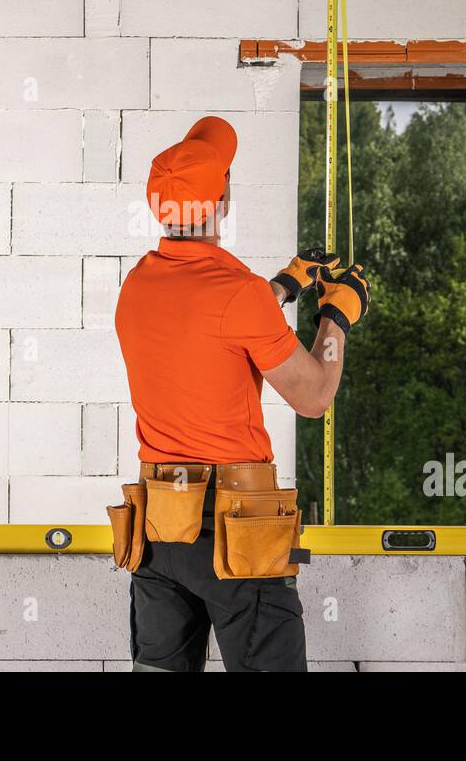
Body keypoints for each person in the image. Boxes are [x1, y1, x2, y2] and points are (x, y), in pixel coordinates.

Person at [113, 114, 370, 672]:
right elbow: (313, 397)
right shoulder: (240, 296)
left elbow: (205, 320)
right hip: (236, 536)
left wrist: (284, 285)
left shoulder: (136, 285)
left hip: (160, 533)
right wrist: (336, 317)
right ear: (224, 199)